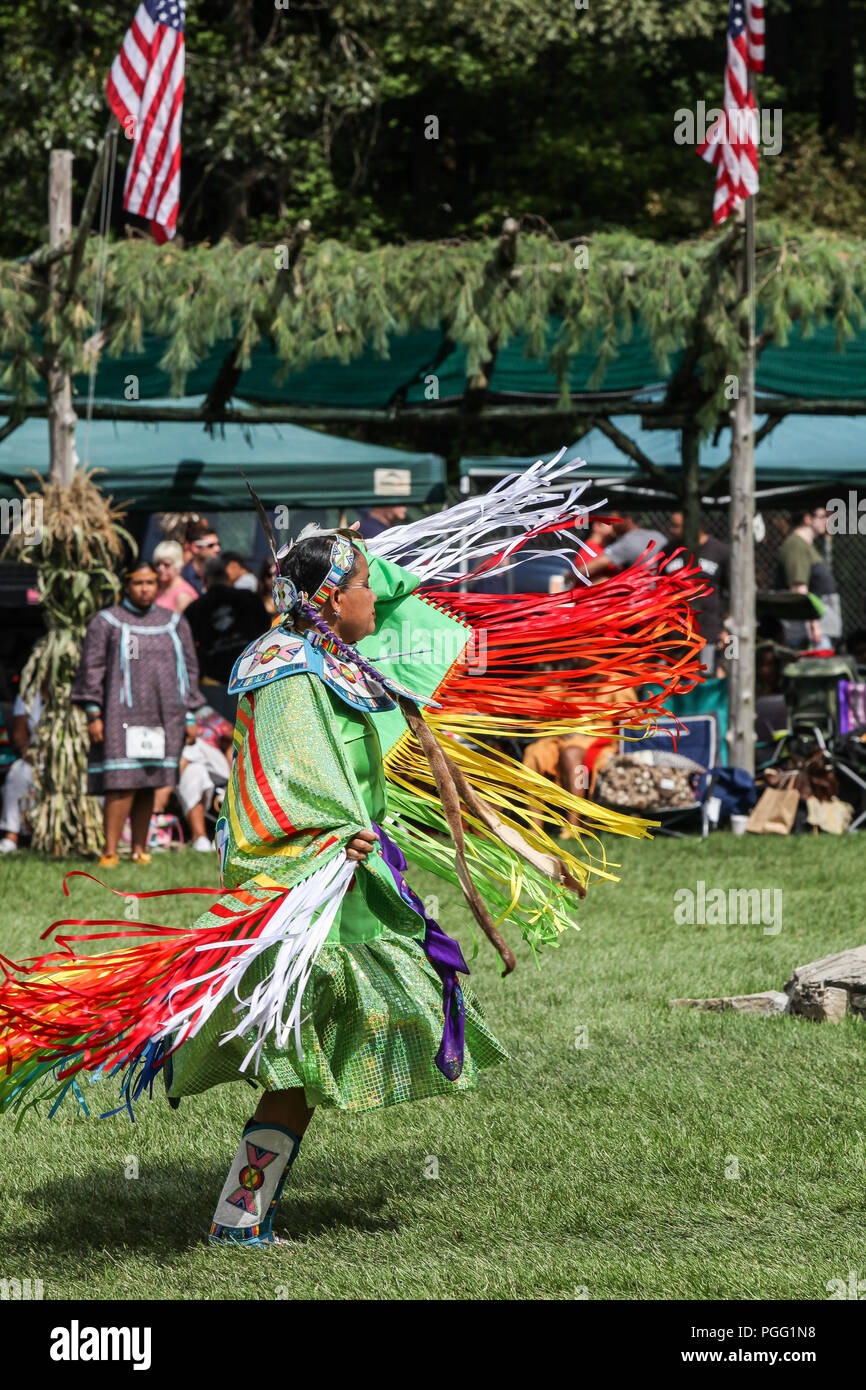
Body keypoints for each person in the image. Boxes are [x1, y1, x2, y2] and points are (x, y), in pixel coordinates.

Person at [71, 564, 205, 868]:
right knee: (121, 781)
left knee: (149, 779)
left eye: (150, 582)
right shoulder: (106, 622)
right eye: (138, 582)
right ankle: (110, 850)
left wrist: (190, 715)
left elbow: (188, 670)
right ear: (125, 585)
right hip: (120, 713)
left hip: (164, 714)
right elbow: (91, 670)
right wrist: (94, 712)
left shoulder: (173, 622)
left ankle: (140, 849)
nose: (145, 588)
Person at [662, 513, 730, 676]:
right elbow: (660, 591)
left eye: (676, 526)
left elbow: (730, 593)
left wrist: (726, 628)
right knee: (678, 679)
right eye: (671, 525)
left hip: (709, 631)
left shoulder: (719, 551)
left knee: (706, 676)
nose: (671, 530)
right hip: (676, 633)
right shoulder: (667, 551)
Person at [184, 556, 270, 684]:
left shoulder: (194, 609)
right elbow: (266, 629)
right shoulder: (249, 598)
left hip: (213, 679)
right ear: (226, 576)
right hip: (249, 674)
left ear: (205, 579)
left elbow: (187, 646)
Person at [777, 507, 841, 650]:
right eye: (823, 516)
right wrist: (814, 625)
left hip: (817, 630)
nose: (827, 520)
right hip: (809, 633)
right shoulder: (795, 545)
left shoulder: (805, 545)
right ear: (807, 519)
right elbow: (798, 589)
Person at [0, 687, 43, 854]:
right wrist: (30, 754)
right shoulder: (27, 696)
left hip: (65, 761)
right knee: (18, 772)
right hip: (34, 758)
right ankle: (11, 836)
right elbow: (19, 736)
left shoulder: (71, 692)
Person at [581, 511, 667, 582]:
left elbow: (591, 567)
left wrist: (571, 574)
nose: (612, 525)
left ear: (627, 520)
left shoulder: (628, 541)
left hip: (641, 597)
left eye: (614, 520)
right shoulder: (658, 536)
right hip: (663, 593)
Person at [152, 540, 198, 614]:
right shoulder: (157, 587)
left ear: (178, 565)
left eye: (166, 565)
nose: (160, 568)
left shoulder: (183, 595)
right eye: (157, 564)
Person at [181, 521, 220, 597]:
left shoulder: (218, 575)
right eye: (211, 545)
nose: (218, 549)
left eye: (218, 544)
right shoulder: (183, 576)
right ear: (195, 548)